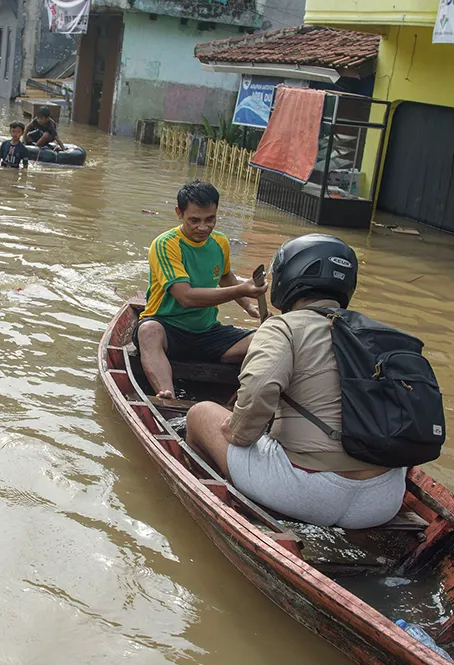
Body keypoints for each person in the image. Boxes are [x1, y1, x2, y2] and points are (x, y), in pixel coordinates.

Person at [183, 234, 406, 530]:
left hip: (309, 492)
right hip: (384, 499)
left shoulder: (283, 326)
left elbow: (259, 390)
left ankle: (213, 505)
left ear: (288, 277)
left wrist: (237, 432)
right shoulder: (380, 334)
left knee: (200, 414)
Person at [133, 180, 266, 400]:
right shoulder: (165, 244)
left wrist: (249, 306)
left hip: (206, 332)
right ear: (179, 213)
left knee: (268, 341)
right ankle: (167, 395)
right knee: (148, 331)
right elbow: (185, 297)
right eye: (194, 220)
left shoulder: (220, 242)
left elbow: (225, 276)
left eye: (210, 219)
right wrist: (242, 289)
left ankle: (240, 401)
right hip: (168, 328)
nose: (203, 227)